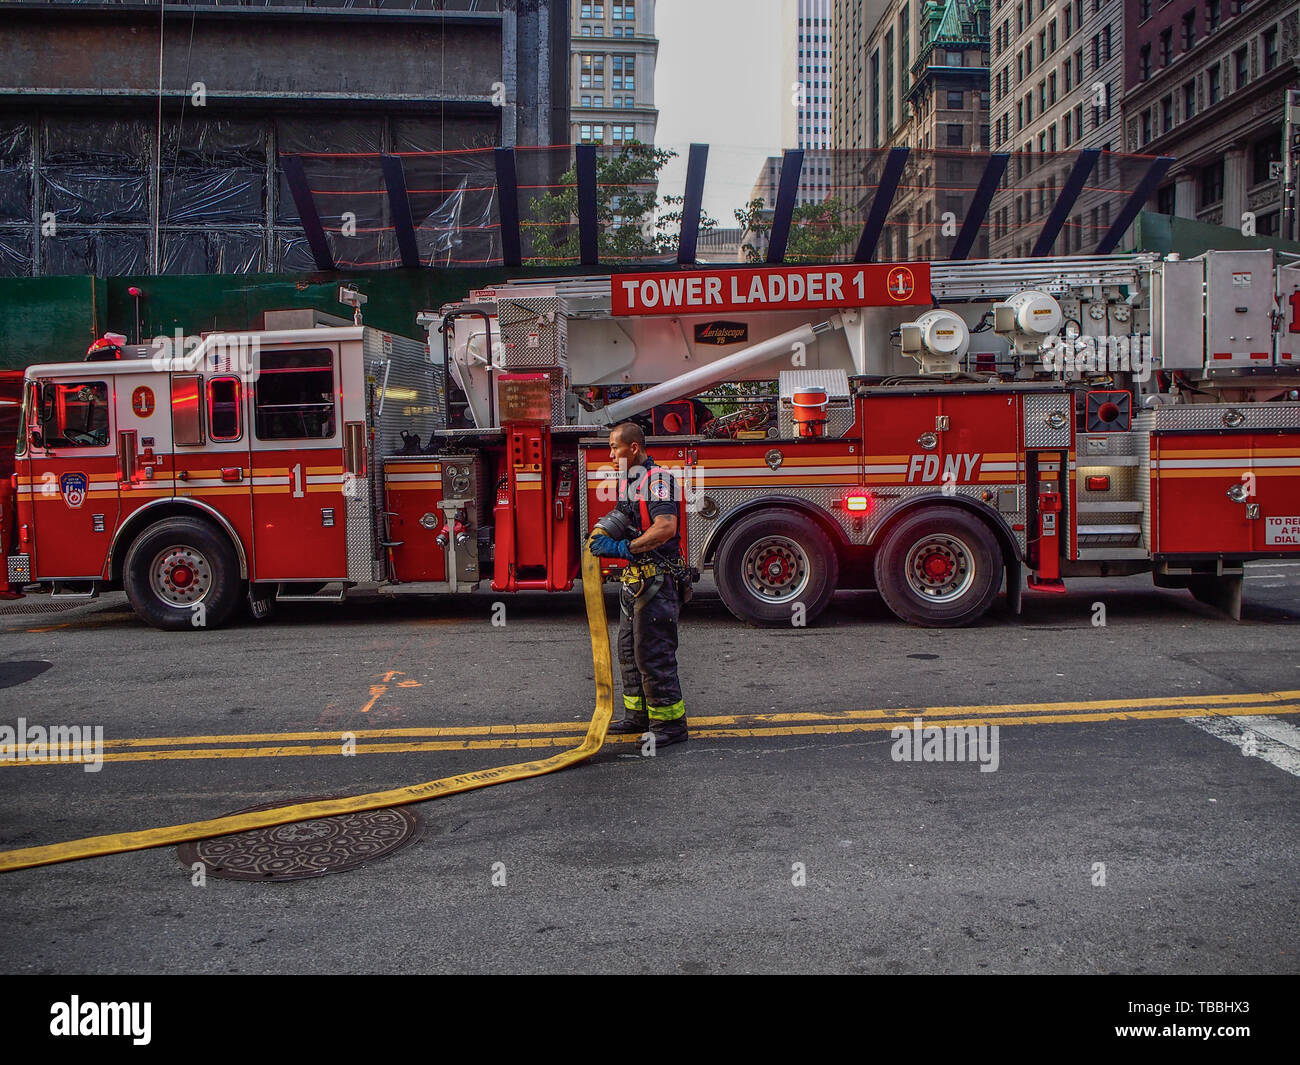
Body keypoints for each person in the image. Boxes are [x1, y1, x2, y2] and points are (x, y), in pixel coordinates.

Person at [588, 421, 689, 747]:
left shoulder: (658, 480)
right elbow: (625, 515)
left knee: (653, 654)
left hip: (656, 582)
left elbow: (665, 528)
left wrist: (624, 549)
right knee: (629, 652)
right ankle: (639, 716)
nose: (610, 453)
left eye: (615, 447)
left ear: (633, 448)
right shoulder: (630, 481)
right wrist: (602, 533)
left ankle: (670, 725)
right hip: (636, 583)